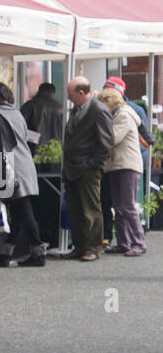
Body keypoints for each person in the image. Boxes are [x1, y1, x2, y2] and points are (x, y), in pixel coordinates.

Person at [0, 83, 43, 267]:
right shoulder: (17, 113)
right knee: (19, 211)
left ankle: (38, 251)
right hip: (25, 164)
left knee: (24, 210)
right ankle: (5, 254)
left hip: (8, 168)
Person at [62, 76, 114, 262]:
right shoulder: (78, 110)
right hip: (74, 168)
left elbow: (107, 142)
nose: (68, 97)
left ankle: (93, 247)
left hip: (87, 169)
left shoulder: (98, 110)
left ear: (82, 93)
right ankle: (80, 246)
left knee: (90, 209)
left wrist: (93, 165)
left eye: (70, 93)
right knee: (75, 209)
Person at [100, 87, 148, 257]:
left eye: (103, 103)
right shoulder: (118, 115)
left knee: (127, 206)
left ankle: (138, 243)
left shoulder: (124, 115)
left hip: (127, 165)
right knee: (119, 207)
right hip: (117, 165)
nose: (101, 107)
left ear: (110, 102)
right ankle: (123, 242)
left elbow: (113, 138)